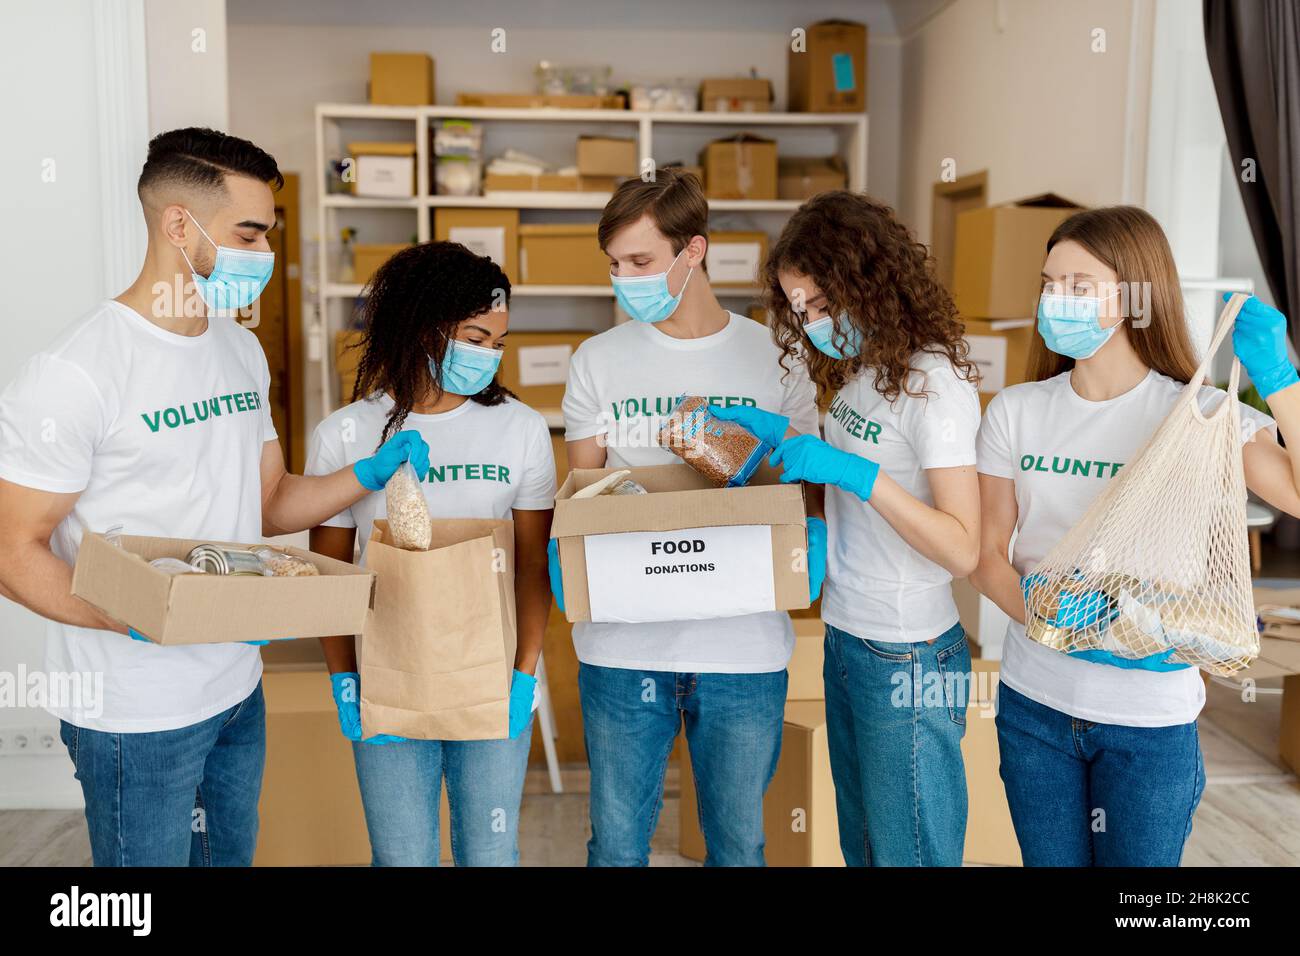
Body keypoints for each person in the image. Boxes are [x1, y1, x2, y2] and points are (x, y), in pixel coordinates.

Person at [0, 128, 428, 867]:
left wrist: (366, 474)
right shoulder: (77, 372)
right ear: (178, 224)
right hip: (134, 711)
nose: (263, 255)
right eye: (248, 234)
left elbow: (270, 503)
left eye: (267, 234)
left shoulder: (239, 350)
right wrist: (131, 614)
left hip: (234, 689)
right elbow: (12, 552)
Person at [970, 205, 1300, 866]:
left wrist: (1281, 379)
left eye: (1077, 286)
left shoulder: (1199, 415)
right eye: (1048, 283)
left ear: (1133, 298)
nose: (1054, 300)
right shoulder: (1016, 412)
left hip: (1151, 719)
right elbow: (986, 559)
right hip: (1035, 709)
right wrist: (1043, 615)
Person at [553, 167, 824, 867]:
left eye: (641, 261)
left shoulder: (778, 357)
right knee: (616, 847)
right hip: (620, 647)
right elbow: (582, 493)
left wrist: (744, 456)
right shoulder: (596, 362)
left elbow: (804, 492)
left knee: (737, 846)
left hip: (741, 648)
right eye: (615, 264)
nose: (625, 278)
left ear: (693, 250)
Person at [712, 191, 982, 866]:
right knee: (863, 847)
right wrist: (786, 441)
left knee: (910, 853)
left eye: (822, 304)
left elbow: (963, 546)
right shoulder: (864, 378)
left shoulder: (935, 385)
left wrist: (860, 477)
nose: (811, 324)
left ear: (871, 279)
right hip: (849, 637)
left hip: (910, 653)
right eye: (799, 310)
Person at [307, 241, 555, 866]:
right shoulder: (346, 433)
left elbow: (531, 563)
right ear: (423, 327)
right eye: (475, 336)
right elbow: (328, 573)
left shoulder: (520, 429)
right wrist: (343, 677)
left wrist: (527, 668)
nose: (488, 356)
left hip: (492, 676)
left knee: (491, 852)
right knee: (400, 856)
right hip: (388, 677)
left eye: (497, 343)